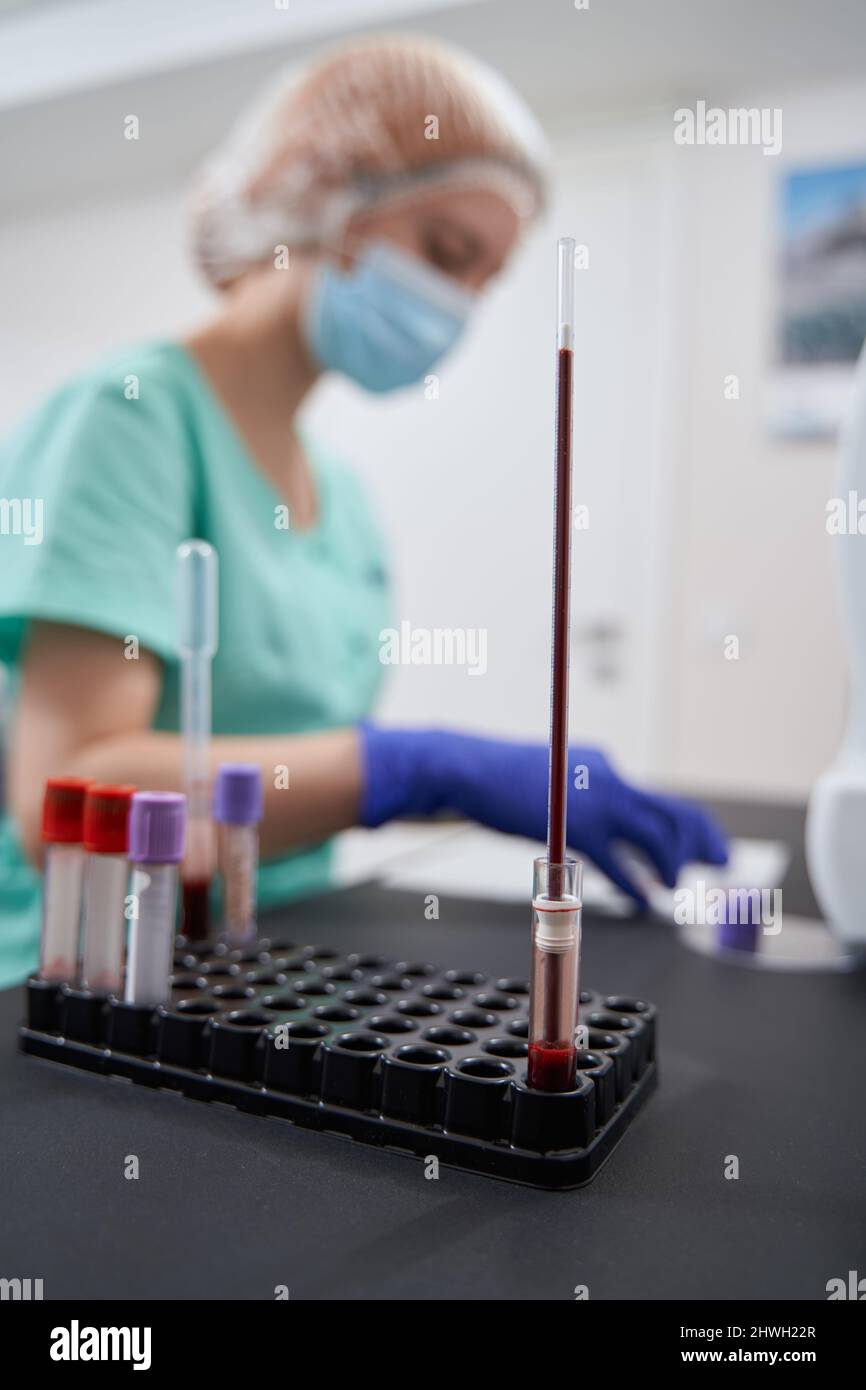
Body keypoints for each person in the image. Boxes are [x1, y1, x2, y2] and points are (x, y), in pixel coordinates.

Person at [0, 34, 727, 987]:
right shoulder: (131, 417)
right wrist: (421, 770)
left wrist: (450, 783)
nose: (458, 304)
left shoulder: (339, 498)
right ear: (321, 191)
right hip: (97, 985)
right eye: (447, 251)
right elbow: (68, 792)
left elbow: (301, 767)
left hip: (274, 957)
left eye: (484, 279)